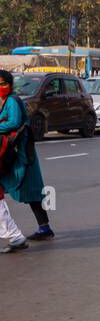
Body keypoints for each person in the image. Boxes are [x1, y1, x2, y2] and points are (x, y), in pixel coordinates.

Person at [0, 69, 54, 252]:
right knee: (29, 190)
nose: (1, 87)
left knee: (31, 190)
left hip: (21, 154)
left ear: (10, 85)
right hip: (14, 153)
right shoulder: (4, 101)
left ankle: (43, 228)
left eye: (3, 83)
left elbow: (14, 123)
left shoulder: (12, 101)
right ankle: (43, 227)